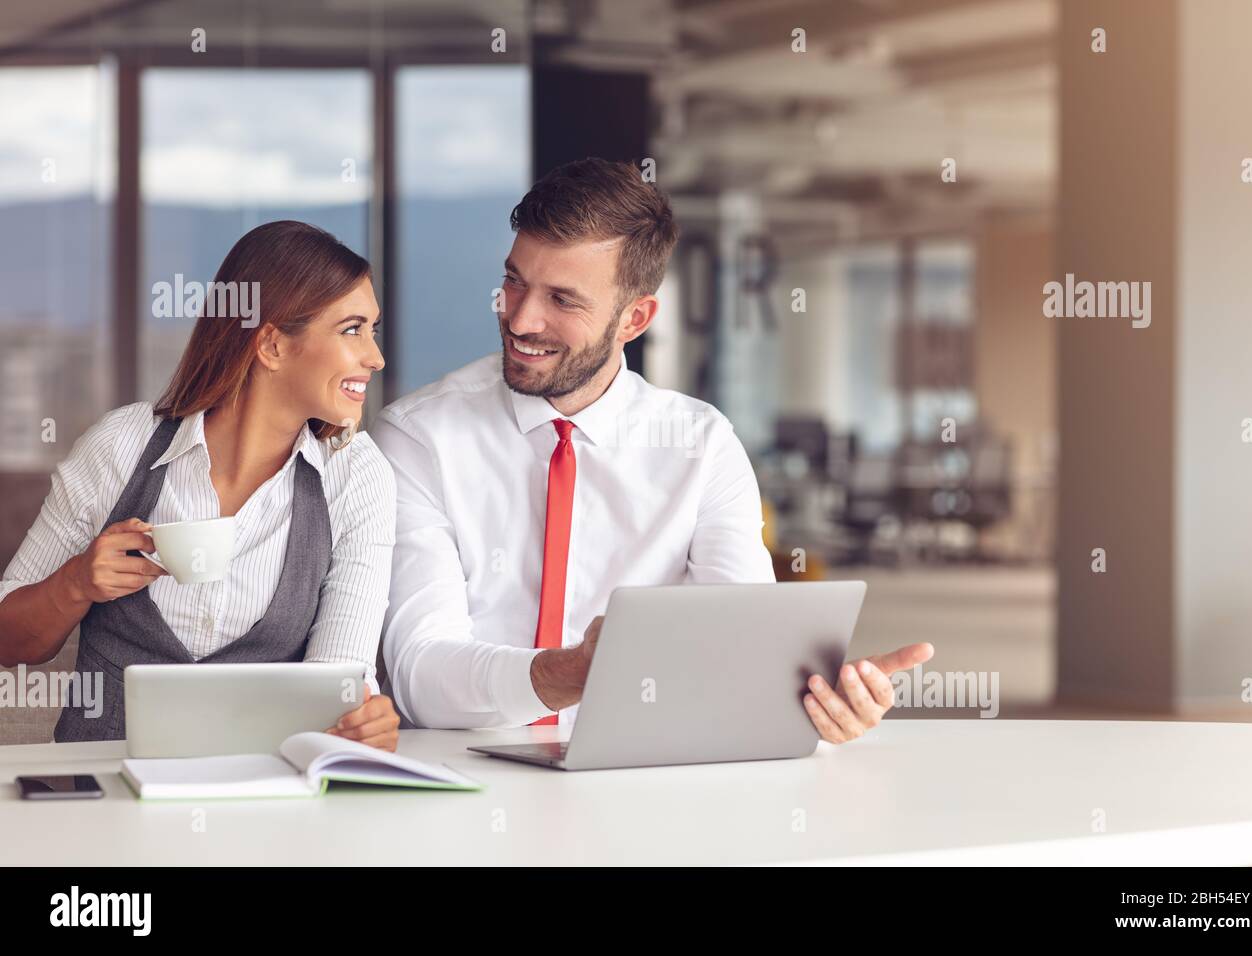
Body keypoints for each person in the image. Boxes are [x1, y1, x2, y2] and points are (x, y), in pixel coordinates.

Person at [373, 159, 933, 740]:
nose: (520, 317)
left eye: (563, 300)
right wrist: (571, 675)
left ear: (634, 319)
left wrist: (815, 702)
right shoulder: (418, 438)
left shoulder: (702, 446)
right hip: (467, 772)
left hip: (648, 768)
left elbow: (742, 646)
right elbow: (422, 675)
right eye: (515, 281)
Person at [0, 221, 401, 750]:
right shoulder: (122, 445)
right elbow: (9, 642)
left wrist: (360, 723)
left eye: (372, 329)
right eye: (352, 330)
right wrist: (76, 583)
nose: (375, 357)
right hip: (99, 797)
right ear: (273, 344)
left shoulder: (356, 475)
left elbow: (337, 684)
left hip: (264, 803)